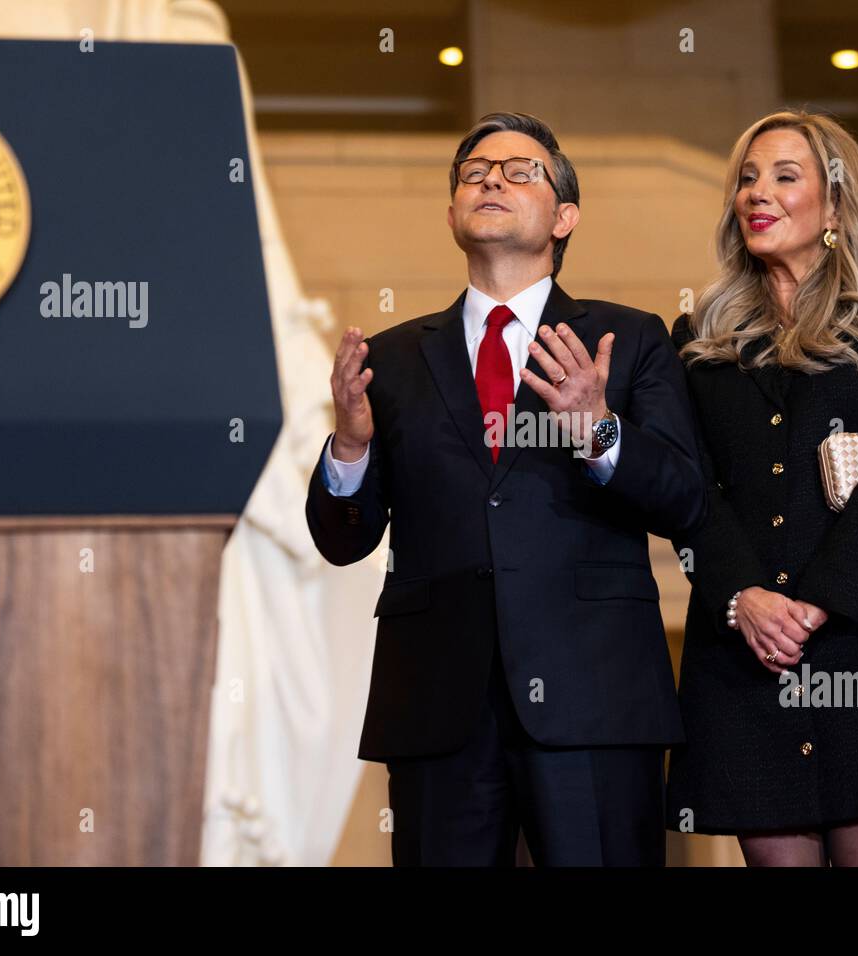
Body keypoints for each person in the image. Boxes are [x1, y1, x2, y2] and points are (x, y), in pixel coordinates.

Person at [305, 111, 705, 866]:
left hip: (594, 696)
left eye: (520, 171)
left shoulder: (631, 338)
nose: (491, 179)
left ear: (564, 216)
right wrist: (351, 445)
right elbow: (342, 538)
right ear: (452, 209)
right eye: (474, 172)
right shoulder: (392, 359)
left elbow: (685, 498)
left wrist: (599, 430)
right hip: (436, 707)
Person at [667, 110, 858, 866]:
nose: (756, 193)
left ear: (835, 207)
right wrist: (743, 598)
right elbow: (688, 491)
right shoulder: (697, 342)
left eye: (783, 176)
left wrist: (815, 602)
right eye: (746, 178)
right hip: (751, 657)